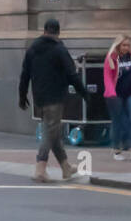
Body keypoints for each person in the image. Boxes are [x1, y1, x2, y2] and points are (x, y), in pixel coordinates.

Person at [19, 17, 86, 183]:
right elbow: (72, 74)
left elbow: (24, 75)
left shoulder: (32, 49)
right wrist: (84, 93)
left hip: (39, 98)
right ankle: (40, 168)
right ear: (58, 32)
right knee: (50, 131)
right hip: (55, 97)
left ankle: (65, 167)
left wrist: (22, 96)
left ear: (44, 31)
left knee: (53, 131)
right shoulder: (59, 49)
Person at [102, 33, 131, 161]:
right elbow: (108, 78)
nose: (126, 48)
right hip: (115, 95)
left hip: (130, 94)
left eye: (128, 45)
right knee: (117, 121)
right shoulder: (111, 58)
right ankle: (116, 150)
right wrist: (111, 93)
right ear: (118, 45)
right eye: (124, 45)